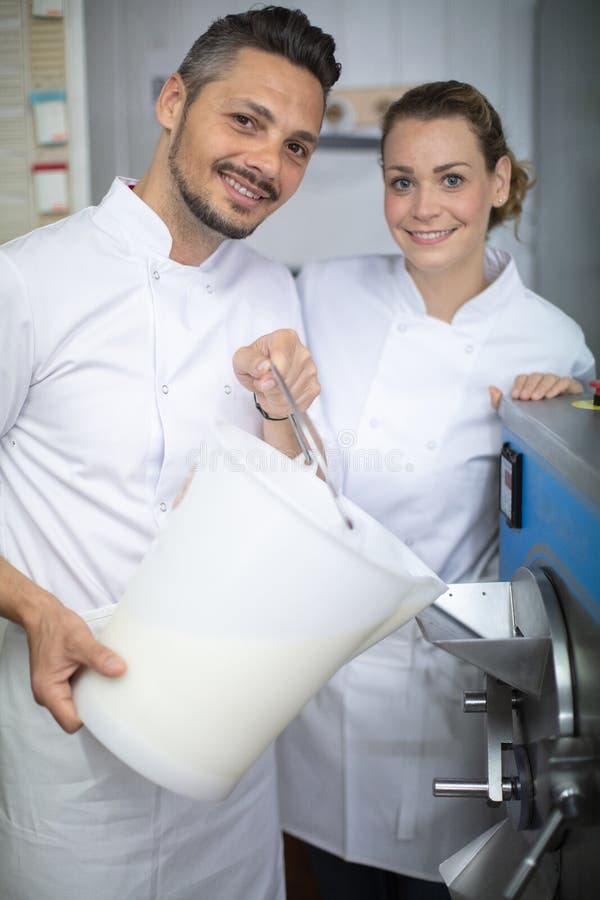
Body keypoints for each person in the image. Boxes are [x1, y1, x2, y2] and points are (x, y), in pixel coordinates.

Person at [0, 7, 340, 900]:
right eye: (246, 120)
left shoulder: (272, 291)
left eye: (297, 147)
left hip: (222, 753)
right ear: (173, 102)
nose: (268, 164)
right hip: (71, 758)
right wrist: (33, 608)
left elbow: (290, 509)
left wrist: (278, 410)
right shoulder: (28, 281)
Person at [276, 80, 595, 899]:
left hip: (452, 694)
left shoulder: (551, 341)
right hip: (328, 681)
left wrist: (565, 415)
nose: (423, 208)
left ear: (498, 180)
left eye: (452, 178)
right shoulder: (323, 290)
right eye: (402, 180)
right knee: (332, 878)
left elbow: (561, 531)